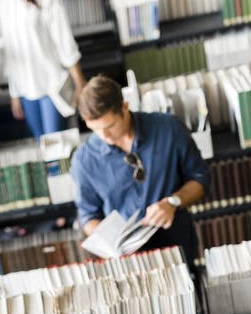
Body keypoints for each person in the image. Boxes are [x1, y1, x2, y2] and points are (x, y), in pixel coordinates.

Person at [71, 74, 209, 265]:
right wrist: (106, 240)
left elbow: (200, 179)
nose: (105, 136)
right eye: (95, 129)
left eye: (110, 126)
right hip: (127, 259)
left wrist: (173, 202)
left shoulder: (168, 128)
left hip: (176, 246)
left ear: (125, 107)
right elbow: (88, 215)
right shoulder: (83, 160)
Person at [0, 0, 85, 139]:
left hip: (52, 83)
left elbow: (64, 41)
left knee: (56, 144)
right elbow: (11, 49)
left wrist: (80, 82)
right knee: (41, 143)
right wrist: (14, 94)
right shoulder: (1, 0)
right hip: (25, 88)